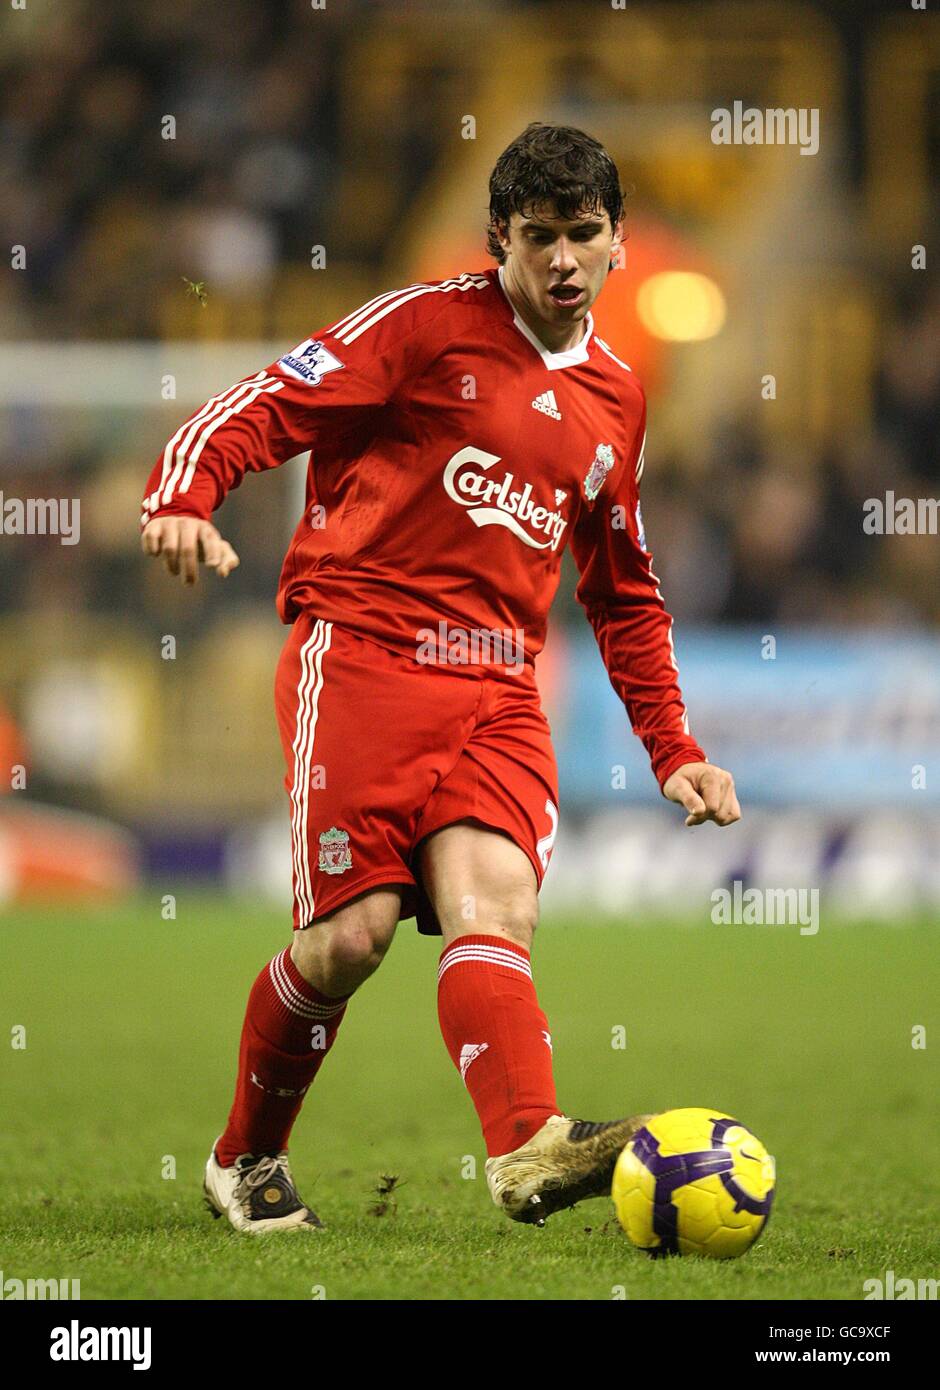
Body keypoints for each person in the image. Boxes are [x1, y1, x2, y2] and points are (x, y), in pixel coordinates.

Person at [140, 122, 740, 1235]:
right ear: (500, 239)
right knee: (349, 939)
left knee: (493, 905)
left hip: (502, 683)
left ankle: (525, 1144)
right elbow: (270, 400)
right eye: (540, 237)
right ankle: (244, 1158)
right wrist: (184, 493)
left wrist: (676, 747)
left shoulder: (616, 394)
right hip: (363, 650)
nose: (564, 260)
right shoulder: (422, 325)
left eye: (585, 234)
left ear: (617, 241)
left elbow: (621, 589)